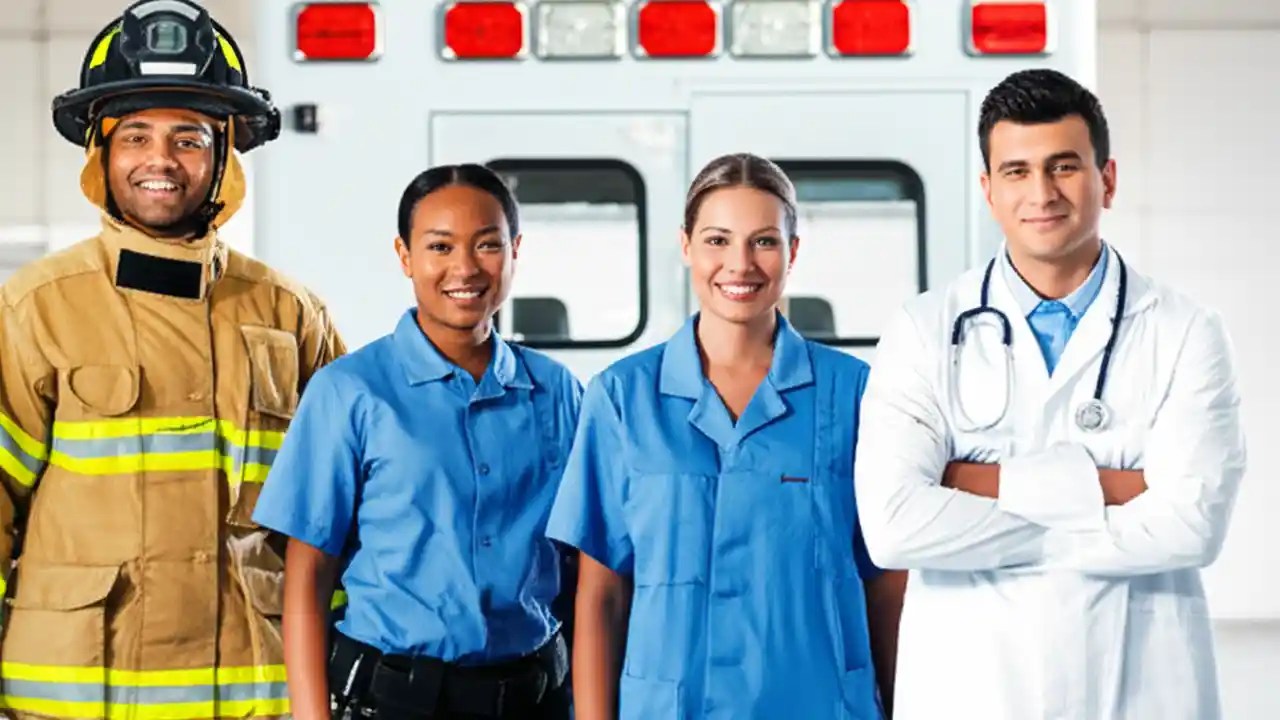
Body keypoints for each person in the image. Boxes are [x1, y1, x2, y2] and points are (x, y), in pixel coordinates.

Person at [853, 68, 1247, 719]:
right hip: (973, 690)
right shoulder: (923, 332)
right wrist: (1110, 490)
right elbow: (893, 529)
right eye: (1016, 171)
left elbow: (1192, 526)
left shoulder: (1185, 332)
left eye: (1063, 167)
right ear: (987, 188)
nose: (1041, 192)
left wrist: (972, 483)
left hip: (1142, 686)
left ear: (1107, 180)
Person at [0, 1, 345, 718]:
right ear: (101, 153)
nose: (161, 160)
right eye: (135, 136)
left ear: (224, 156)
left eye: (188, 138)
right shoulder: (35, 307)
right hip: (75, 698)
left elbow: (345, 510)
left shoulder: (290, 314)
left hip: (257, 694)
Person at [545, 153, 906, 720]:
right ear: (686, 245)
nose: (739, 265)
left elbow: (886, 583)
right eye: (717, 240)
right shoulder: (621, 396)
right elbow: (601, 595)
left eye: (764, 241)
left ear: (794, 251)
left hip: (817, 703)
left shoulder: (854, 392)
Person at [250, 164, 583, 720]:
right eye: (440, 247)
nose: (465, 268)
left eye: (487, 245)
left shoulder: (558, 391)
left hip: (536, 699)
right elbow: (307, 577)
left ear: (515, 250)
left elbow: (581, 573)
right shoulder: (351, 391)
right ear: (405, 256)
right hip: (397, 701)